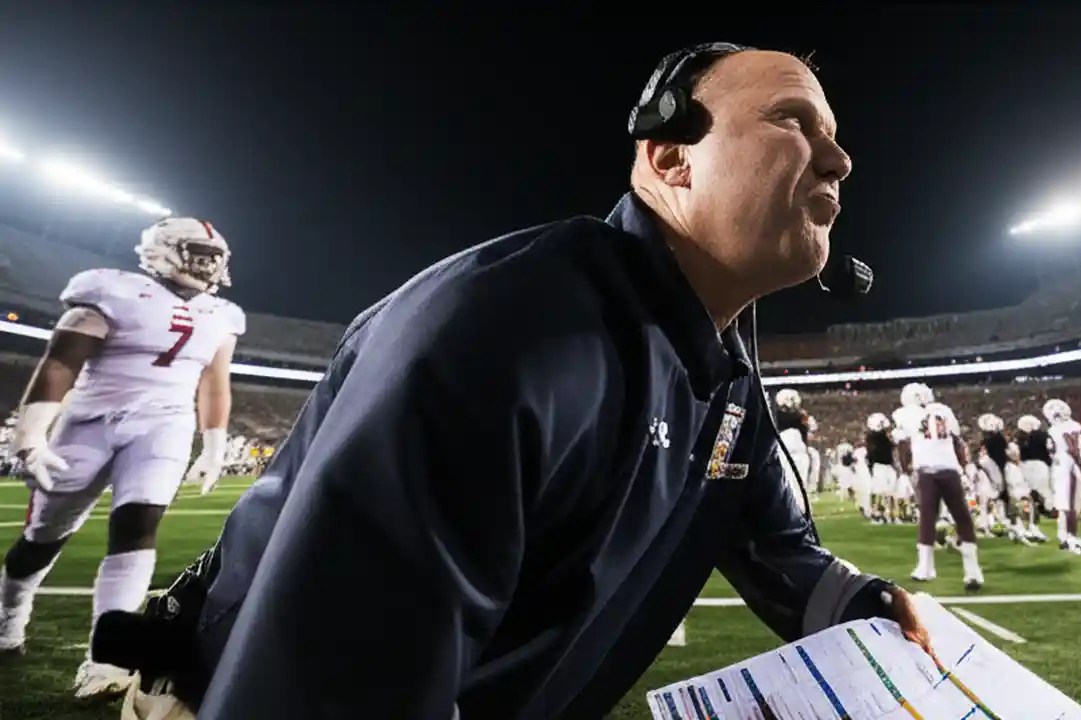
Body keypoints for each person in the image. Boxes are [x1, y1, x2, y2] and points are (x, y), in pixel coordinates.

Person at [96, 43, 930, 720]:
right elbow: (327, 681)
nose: (841, 158)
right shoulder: (510, 326)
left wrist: (874, 606)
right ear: (671, 156)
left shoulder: (721, 376)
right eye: (793, 120)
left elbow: (778, 551)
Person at [0, 217, 241, 696]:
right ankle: (10, 616)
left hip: (165, 425)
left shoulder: (222, 314)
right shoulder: (111, 289)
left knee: (137, 528)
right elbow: (61, 361)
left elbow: (215, 382)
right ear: (164, 249)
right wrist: (32, 433)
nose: (208, 263)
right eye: (197, 251)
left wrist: (214, 444)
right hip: (90, 422)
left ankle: (104, 662)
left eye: (214, 256)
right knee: (43, 538)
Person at [893, 382, 983, 590]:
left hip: (927, 471)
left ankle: (926, 566)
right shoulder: (944, 410)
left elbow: (903, 445)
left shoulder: (904, 415)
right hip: (949, 468)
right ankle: (972, 570)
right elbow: (958, 442)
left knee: (928, 517)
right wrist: (965, 465)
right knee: (962, 517)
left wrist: (906, 472)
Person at [1045, 398, 1081, 553]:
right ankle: (1070, 536)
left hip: (1063, 466)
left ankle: (1065, 536)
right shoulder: (1074, 428)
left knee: (1066, 504)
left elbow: (1052, 452)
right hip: (1071, 466)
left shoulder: (1053, 431)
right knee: (1070, 505)